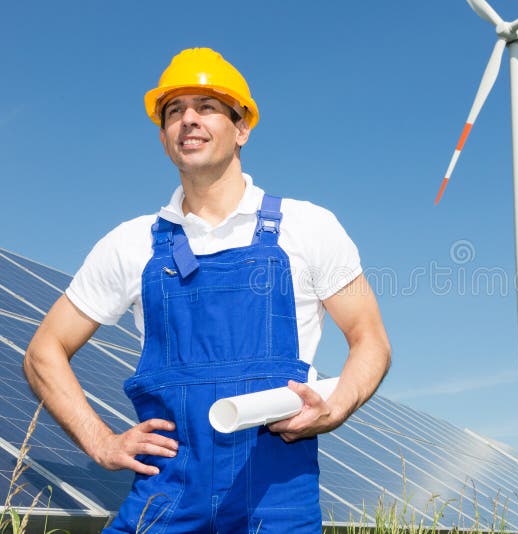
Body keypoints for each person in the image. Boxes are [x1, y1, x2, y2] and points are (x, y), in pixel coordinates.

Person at [23, 47, 391, 533]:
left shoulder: (309, 227)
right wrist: (101, 442)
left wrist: (338, 406)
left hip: (276, 502)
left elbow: (371, 339)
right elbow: (42, 351)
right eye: (174, 110)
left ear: (242, 129)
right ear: (163, 137)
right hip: (166, 498)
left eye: (206, 107)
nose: (188, 120)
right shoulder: (130, 244)